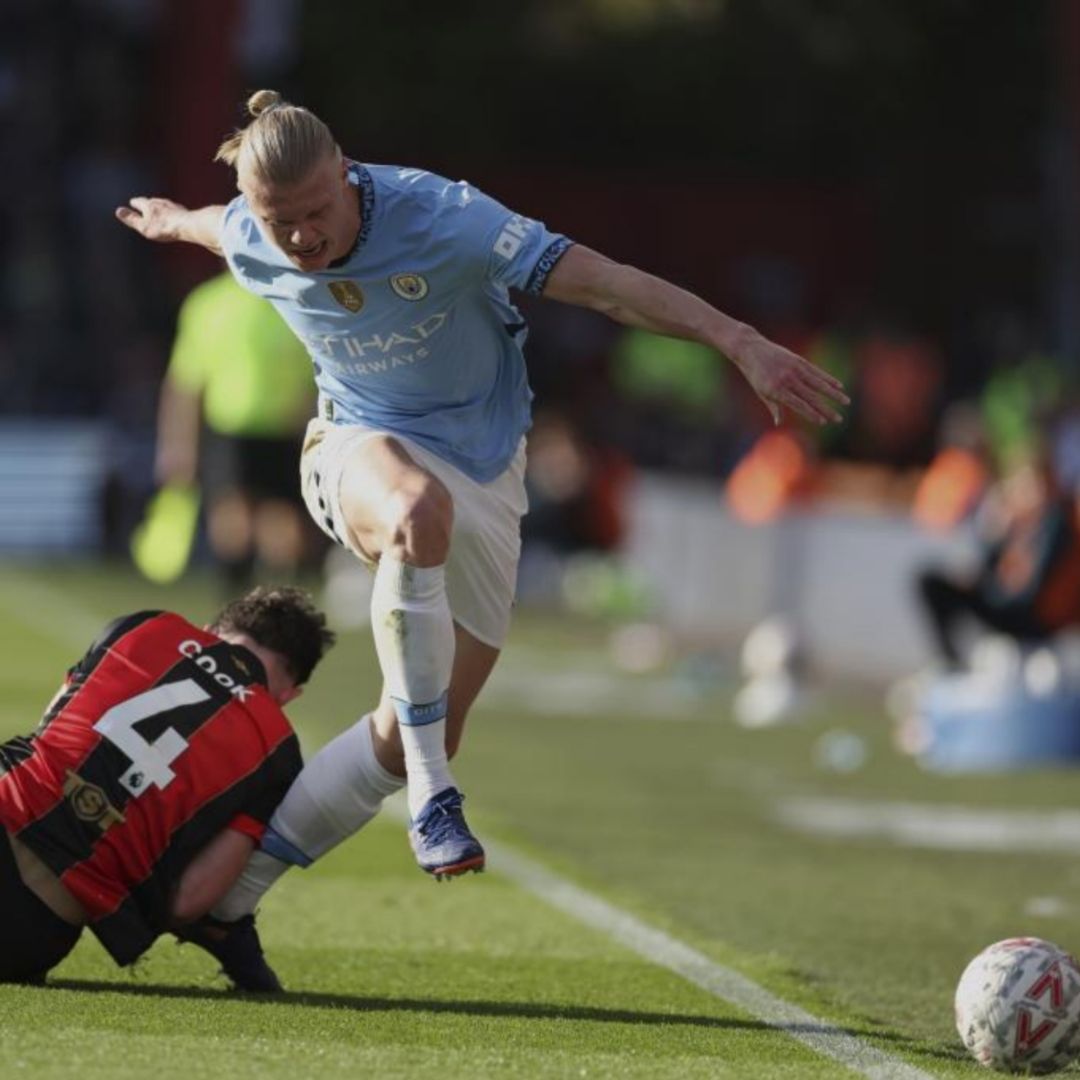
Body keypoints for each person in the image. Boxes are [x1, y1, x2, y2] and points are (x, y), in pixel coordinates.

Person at [116, 89, 848, 889]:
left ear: (347, 170)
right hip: (356, 443)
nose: (299, 237)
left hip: (486, 464)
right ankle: (435, 796)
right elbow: (213, 224)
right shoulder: (250, 233)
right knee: (414, 511)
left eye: (315, 212)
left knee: (410, 732)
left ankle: (227, 898)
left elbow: (605, 284)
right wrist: (172, 220)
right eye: (276, 219)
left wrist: (738, 341)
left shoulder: (446, 219)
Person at [0, 586, 335, 990]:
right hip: (32, 926)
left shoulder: (145, 625)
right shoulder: (278, 751)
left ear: (209, 630)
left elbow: (49, 727)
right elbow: (187, 903)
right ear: (289, 695)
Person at [155, 269, 318, 590]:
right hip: (230, 427)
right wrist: (178, 445)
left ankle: (278, 600)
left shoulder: (296, 299)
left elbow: (314, 377)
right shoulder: (208, 303)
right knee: (234, 520)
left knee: (284, 526)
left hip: (285, 430)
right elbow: (187, 381)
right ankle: (237, 598)